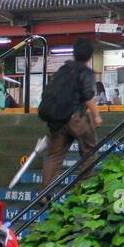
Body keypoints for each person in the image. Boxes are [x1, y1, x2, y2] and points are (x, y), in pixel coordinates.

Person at [37, 37, 102, 192]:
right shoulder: (86, 72)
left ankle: (45, 193)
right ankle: (84, 186)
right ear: (89, 56)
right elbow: (88, 96)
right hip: (75, 118)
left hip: (57, 120)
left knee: (54, 156)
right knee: (89, 148)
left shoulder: (63, 70)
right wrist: (97, 116)